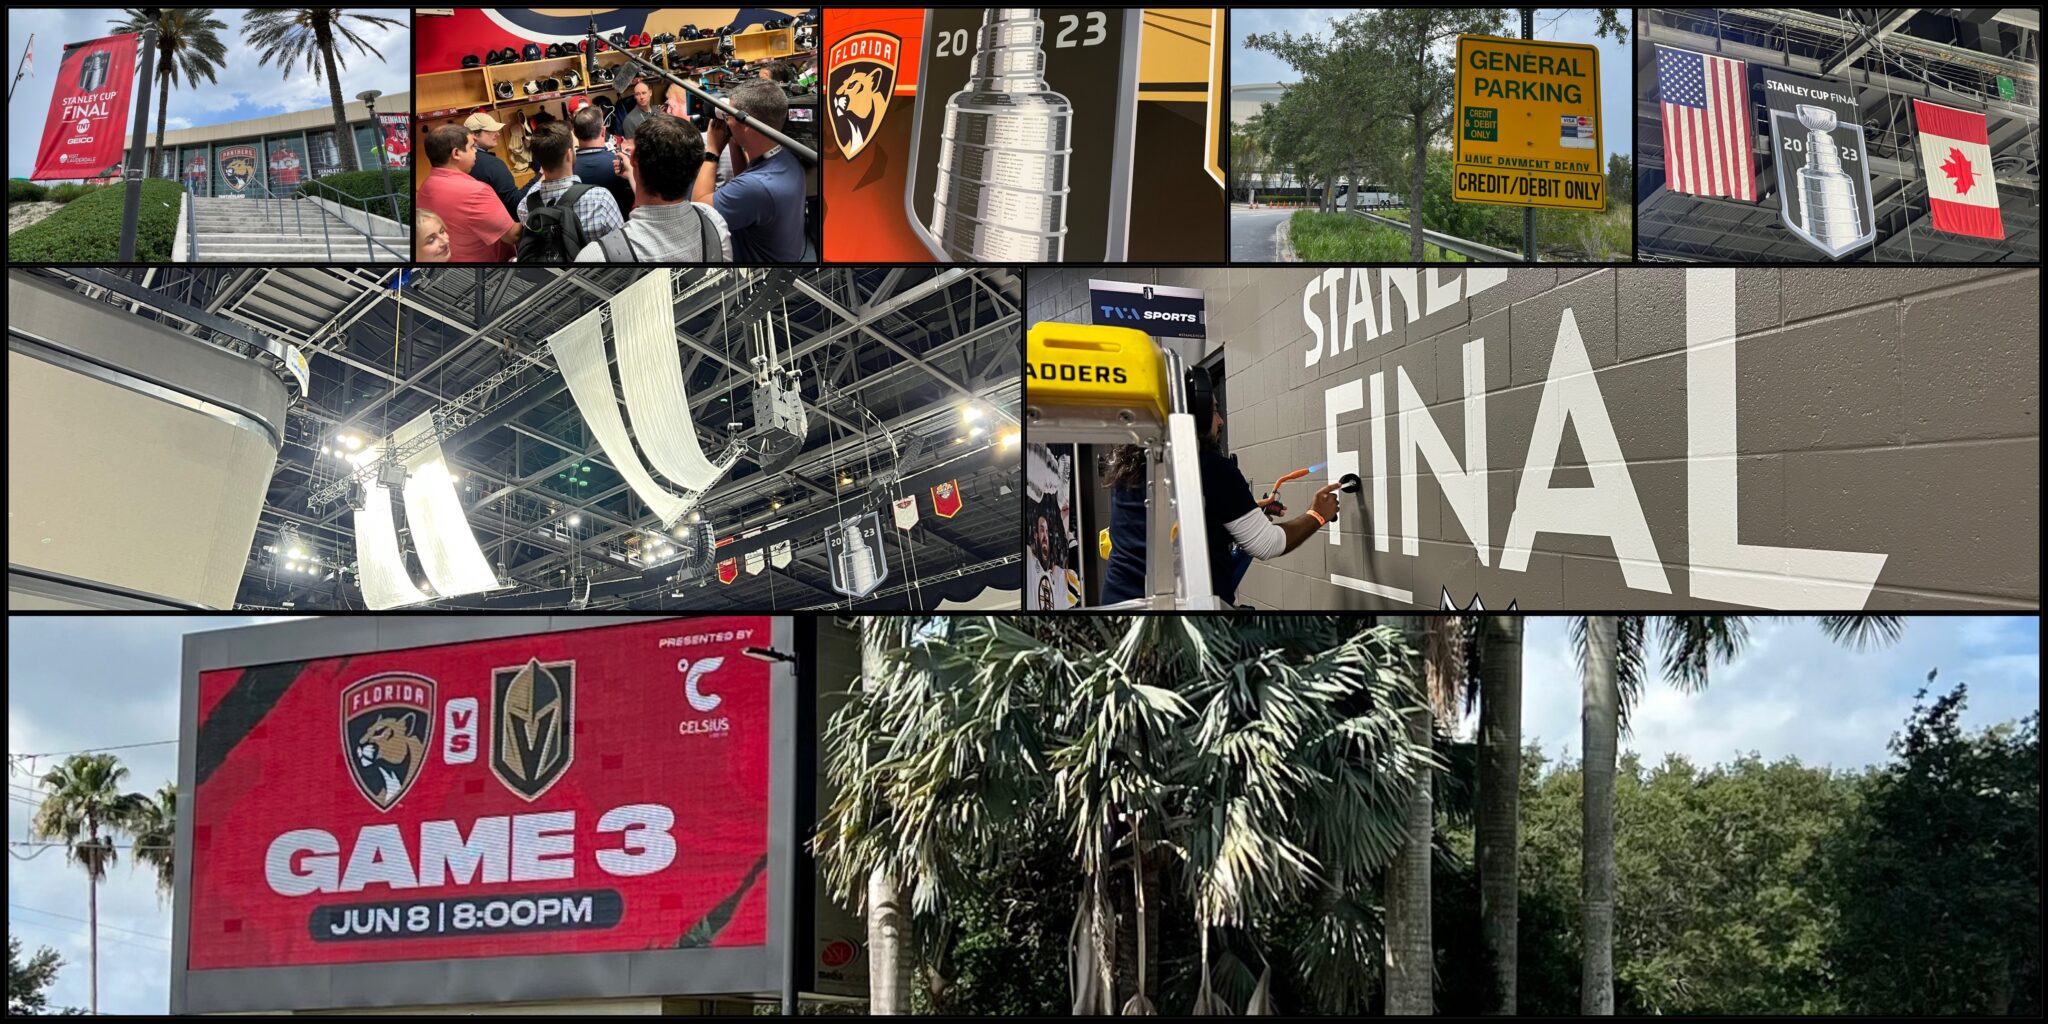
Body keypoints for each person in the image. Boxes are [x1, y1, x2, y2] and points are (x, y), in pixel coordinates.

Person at [1099, 368, 1341, 606]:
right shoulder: (1211, 468)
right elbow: (1268, 544)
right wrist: (1317, 514)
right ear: (1195, 416)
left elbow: (1168, 523)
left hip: (1118, 606)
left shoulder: (1129, 467)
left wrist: (1235, 513)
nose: (1220, 420)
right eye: (1214, 410)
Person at [577, 113, 731, 262]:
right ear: (696, 167)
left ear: (634, 156)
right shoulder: (713, 221)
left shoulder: (596, 256)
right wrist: (632, 175)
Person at [694, 79, 805, 262]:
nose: (726, 120)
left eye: (729, 115)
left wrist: (712, 152)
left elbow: (700, 210)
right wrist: (733, 140)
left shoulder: (756, 187)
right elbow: (745, 177)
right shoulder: (785, 157)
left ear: (746, 125)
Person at [516, 122, 624, 261]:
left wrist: (546, 161)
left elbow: (536, 188)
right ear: (569, 154)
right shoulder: (600, 199)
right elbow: (620, 250)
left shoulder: (525, 206)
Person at [418, 123, 519, 262]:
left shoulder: (424, 188)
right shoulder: (476, 192)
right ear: (456, 153)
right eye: (471, 147)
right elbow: (513, 235)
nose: (476, 151)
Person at [569, 104, 634, 215]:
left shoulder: (568, 168)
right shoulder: (622, 165)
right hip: (619, 226)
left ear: (574, 133)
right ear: (603, 131)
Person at [462, 112, 521, 216]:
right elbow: (514, 203)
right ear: (475, 134)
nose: (497, 134)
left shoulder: (460, 161)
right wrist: (538, 178)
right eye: (491, 130)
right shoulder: (492, 164)